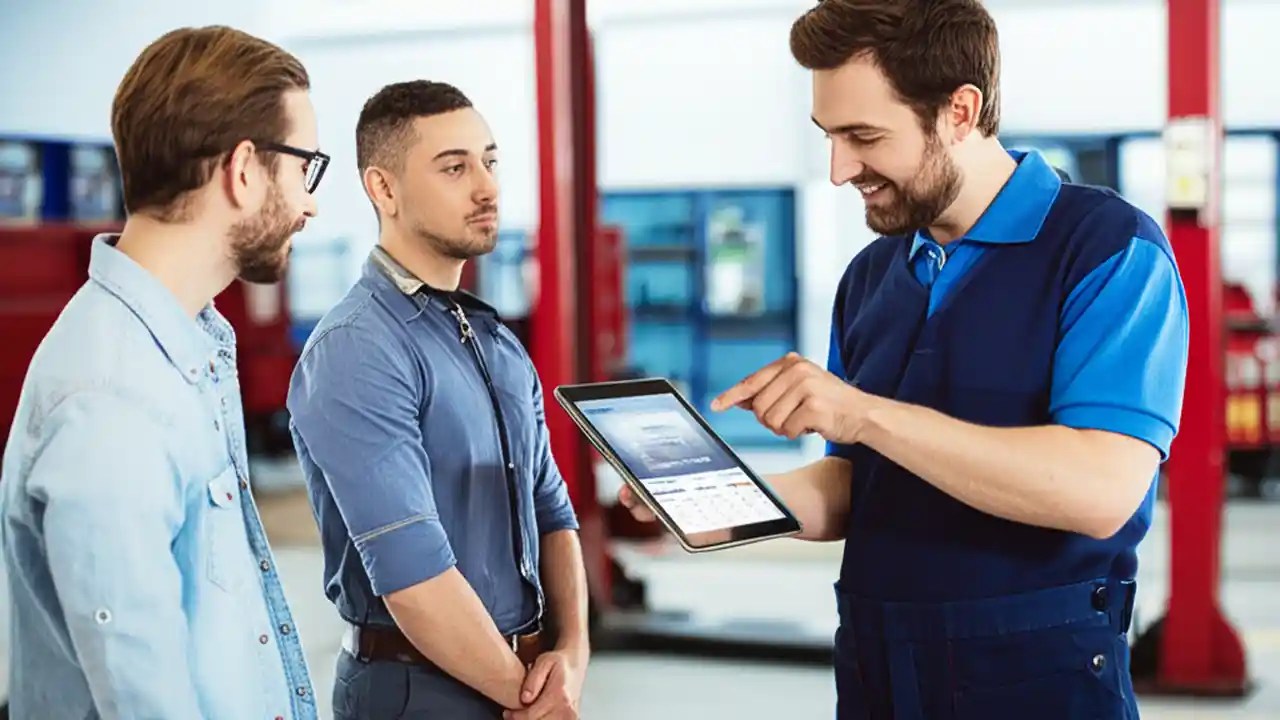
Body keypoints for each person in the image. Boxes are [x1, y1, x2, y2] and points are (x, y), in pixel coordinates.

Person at [620, 1, 1188, 718]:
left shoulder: (1106, 250)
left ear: (960, 110)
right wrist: (726, 500)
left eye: (863, 136)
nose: (838, 169)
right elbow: (860, 485)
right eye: (829, 136)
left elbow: (1099, 491)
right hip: (879, 670)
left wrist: (865, 413)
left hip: (1038, 676)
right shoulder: (870, 279)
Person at [0, 25, 326, 720]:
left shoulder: (181, 351)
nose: (310, 202)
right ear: (244, 170)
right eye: (306, 167)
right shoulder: (112, 399)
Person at [287, 80, 589, 720]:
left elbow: (553, 513)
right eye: (455, 168)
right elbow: (412, 577)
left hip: (522, 678)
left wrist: (573, 654)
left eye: (490, 160)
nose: (487, 187)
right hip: (415, 691)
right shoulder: (358, 348)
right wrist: (529, 699)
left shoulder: (495, 341)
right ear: (384, 189)